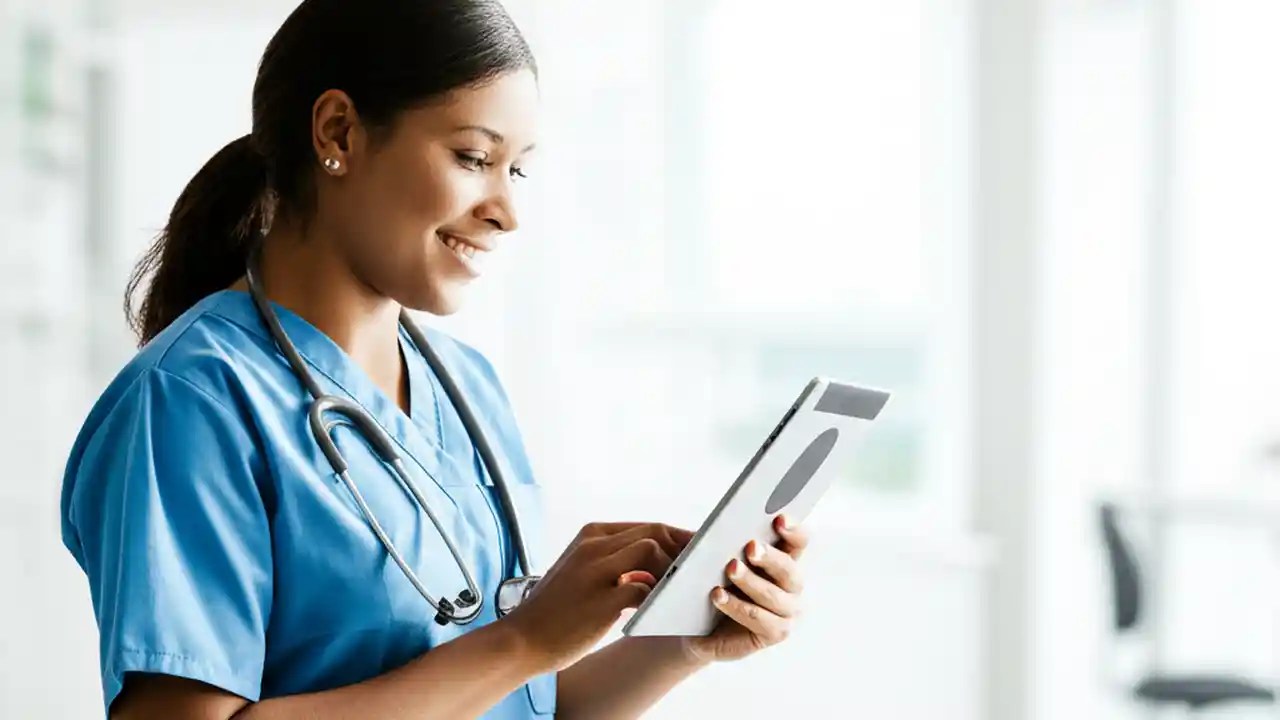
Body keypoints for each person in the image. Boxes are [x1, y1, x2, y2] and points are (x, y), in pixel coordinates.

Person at [58, 1, 811, 718]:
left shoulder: (468, 388)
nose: (507, 211)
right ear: (339, 132)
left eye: (516, 171)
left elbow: (521, 705)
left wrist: (683, 640)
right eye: (473, 156)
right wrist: (523, 640)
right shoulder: (193, 399)